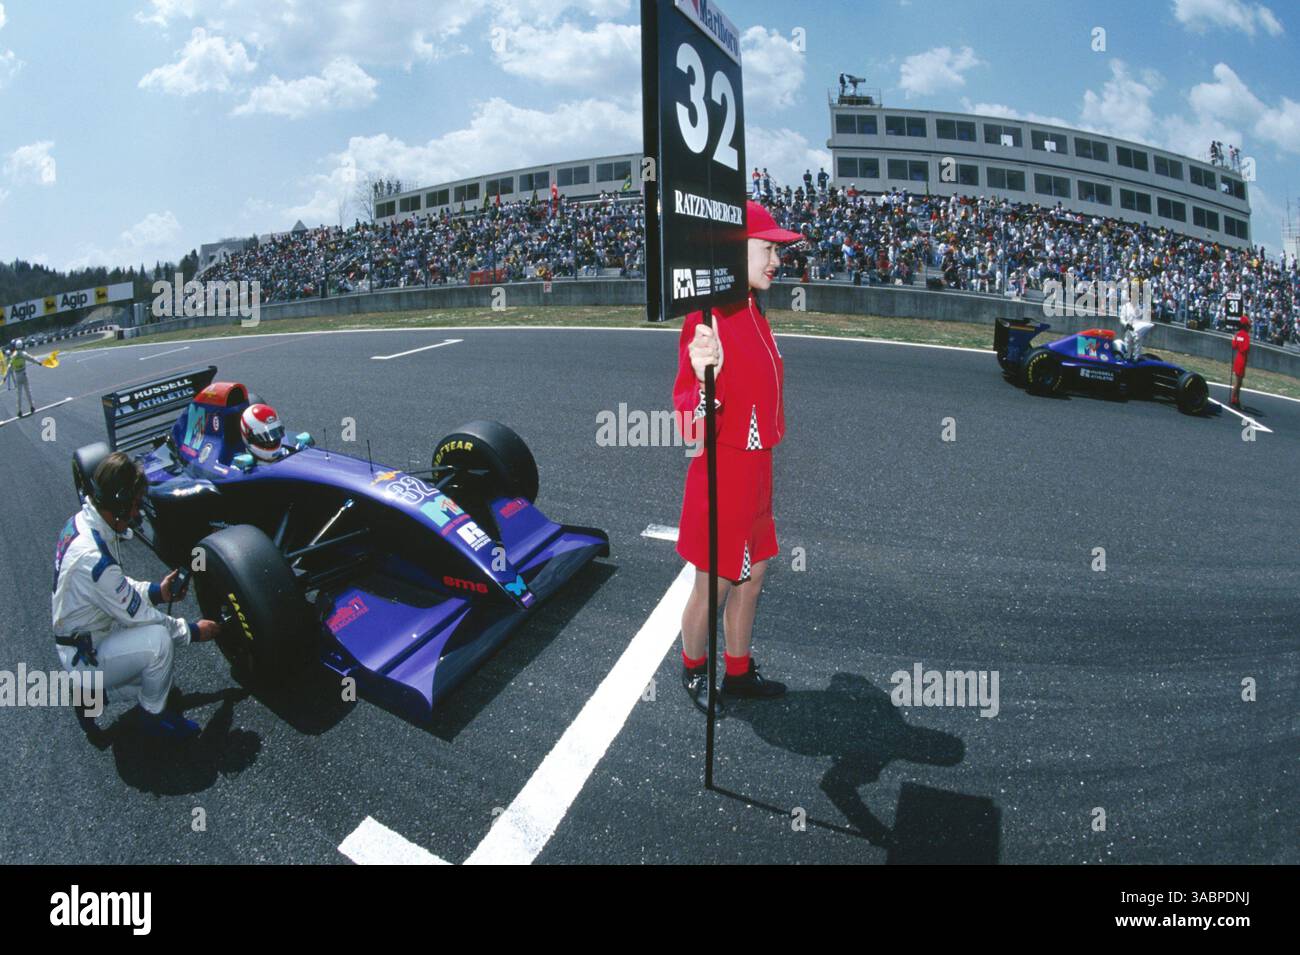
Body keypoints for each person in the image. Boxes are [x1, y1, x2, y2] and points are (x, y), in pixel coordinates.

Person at [673, 201, 802, 710]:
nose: (776, 259)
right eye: (767, 247)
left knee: (756, 570)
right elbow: (686, 413)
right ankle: (693, 668)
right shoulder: (709, 317)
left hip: (758, 466)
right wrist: (704, 386)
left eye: (777, 250)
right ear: (734, 250)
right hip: (723, 469)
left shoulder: (753, 310)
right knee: (718, 581)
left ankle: (739, 670)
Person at [52, 452, 221, 739]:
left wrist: (157, 591)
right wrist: (193, 631)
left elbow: (114, 588)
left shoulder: (83, 524)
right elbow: (139, 616)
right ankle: (154, 719)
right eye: (132, 506)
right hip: (86, 653)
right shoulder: (93, 557)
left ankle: (95, 695)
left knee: (152, 678)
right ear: (117, 504)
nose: (135, 514)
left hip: (82, 641)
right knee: (159, 642)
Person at [4, 338, 44, 417]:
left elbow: (9, 367)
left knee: (19, 394)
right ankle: (32, 407)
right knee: (28, 391)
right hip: (24, 374)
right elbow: (31, 358)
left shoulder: (14, 356)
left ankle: (19, 411)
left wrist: (5, 377)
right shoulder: (23, 353)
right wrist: (38, 362)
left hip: (17, 375)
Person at [1230, 314, 1251, 408]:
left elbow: (1234, 346)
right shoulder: (1246, 336)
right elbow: (1246, 349)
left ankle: (1236, 399)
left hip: (1237, 358)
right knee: (1238, 383)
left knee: (1238, 381)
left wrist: (1234, 340)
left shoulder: (1237, 334)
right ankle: (1234, 399)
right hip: (1242, 359)